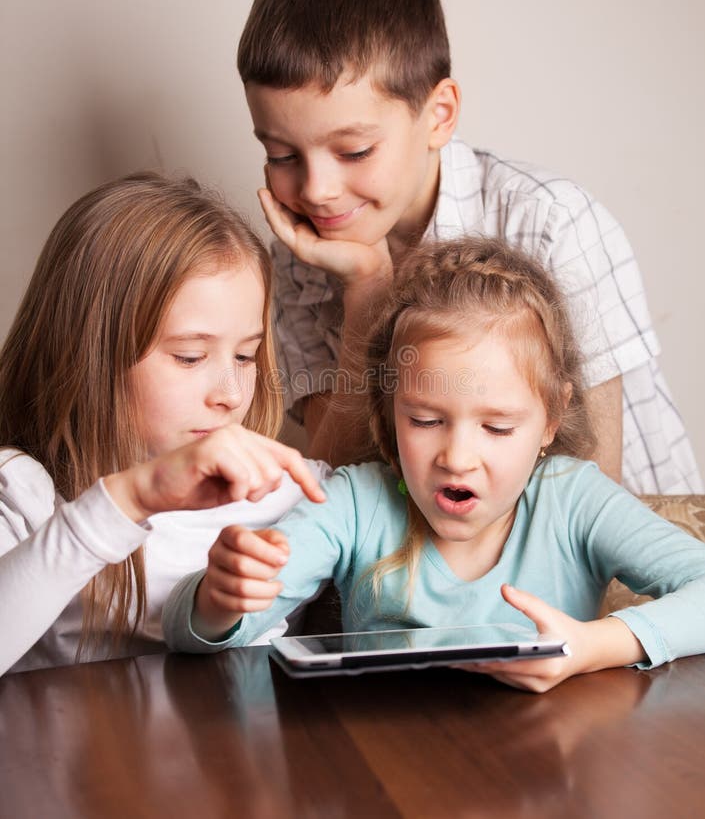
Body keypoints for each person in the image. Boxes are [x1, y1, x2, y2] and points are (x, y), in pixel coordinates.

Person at [236, 0, 701, 494]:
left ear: (439, 115)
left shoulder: (551, 226)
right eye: (281, 154)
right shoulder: (302, 260)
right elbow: (330, 484)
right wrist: (366, 289)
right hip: (443, 559)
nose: (317, 189)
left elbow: (594, 491)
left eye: (353, 150)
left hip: (630, 553)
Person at [163, 237, 705, 692]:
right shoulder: (357, 503)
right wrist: (219, 598)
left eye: (496, 427)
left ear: (551, 419)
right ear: (388, 410)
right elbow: (196, 633)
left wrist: (590, 648)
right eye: (424, 421)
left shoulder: (573, 499)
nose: (457, 458)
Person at [0, 172, 327, 676]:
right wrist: (134, 497)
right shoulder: (23, 491)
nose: (232, 395)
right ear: (90, 353)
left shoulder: (287, 492)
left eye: (246, 356)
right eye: (190, 357)